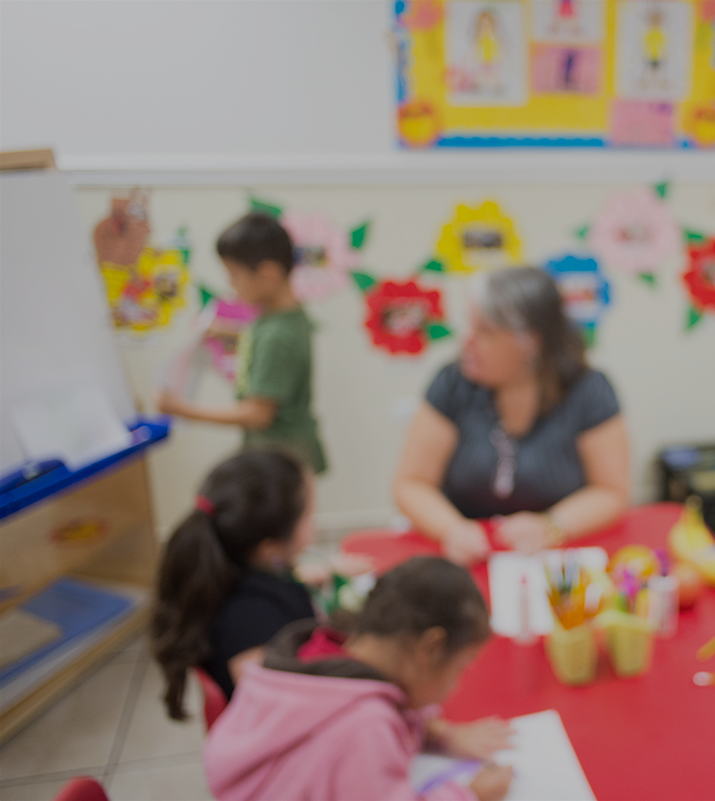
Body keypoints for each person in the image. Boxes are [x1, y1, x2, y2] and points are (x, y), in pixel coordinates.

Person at [205, 557, 514, 801]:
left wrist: (434, 731)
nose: (456, 686)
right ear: (430, 648)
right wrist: (471, 794)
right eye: (461, 666)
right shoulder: (365, 727)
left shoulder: (315, 654)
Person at [394, 267, 629, 566]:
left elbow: (610, 491)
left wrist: (553, 526)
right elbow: (411, 483)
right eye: (470, 325)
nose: (466, 341)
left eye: (485, 332)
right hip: (468, 559)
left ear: (529, 342)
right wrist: (451, 530)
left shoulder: (589, 390)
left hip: (555, 561)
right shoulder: (453, 383)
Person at [157, 212, 328, 474]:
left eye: (235, 274)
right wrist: (230, 333)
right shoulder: (284, 316)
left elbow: (257, 414)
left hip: (281, 459)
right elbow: (266, 342)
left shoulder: (277, 336)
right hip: (285, 451)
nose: (231, 284)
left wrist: (181, 409)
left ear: (268, 274)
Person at [152, 449, 317, 715]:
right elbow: (279, 716)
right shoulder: (250, 627)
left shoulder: (229, 565)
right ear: (269, 548)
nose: (314, 527)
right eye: (309, 517)